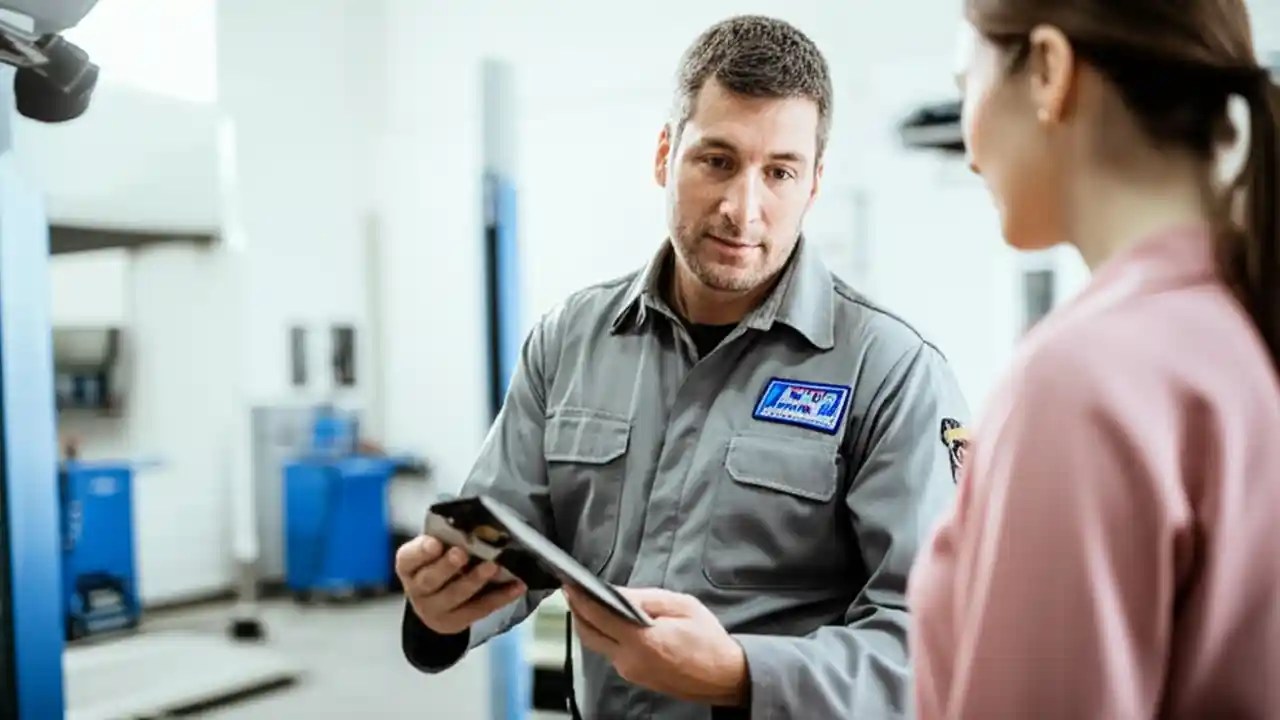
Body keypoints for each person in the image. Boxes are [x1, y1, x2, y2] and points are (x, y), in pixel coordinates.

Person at [394, 14, 970, 720]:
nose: (741, 209)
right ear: (666, 154)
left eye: (779, 172)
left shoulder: (890, 371)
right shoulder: (571, 339)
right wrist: (443, 608)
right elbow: (506, 550)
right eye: (717, 160)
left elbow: (933, 647)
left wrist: (742, 674)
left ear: (814, 185)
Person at [908, 1, 1280, 718]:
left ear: (1049, 70)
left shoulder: (1083, 380)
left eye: (966, 89)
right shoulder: (1236, 331)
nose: (968, 142)